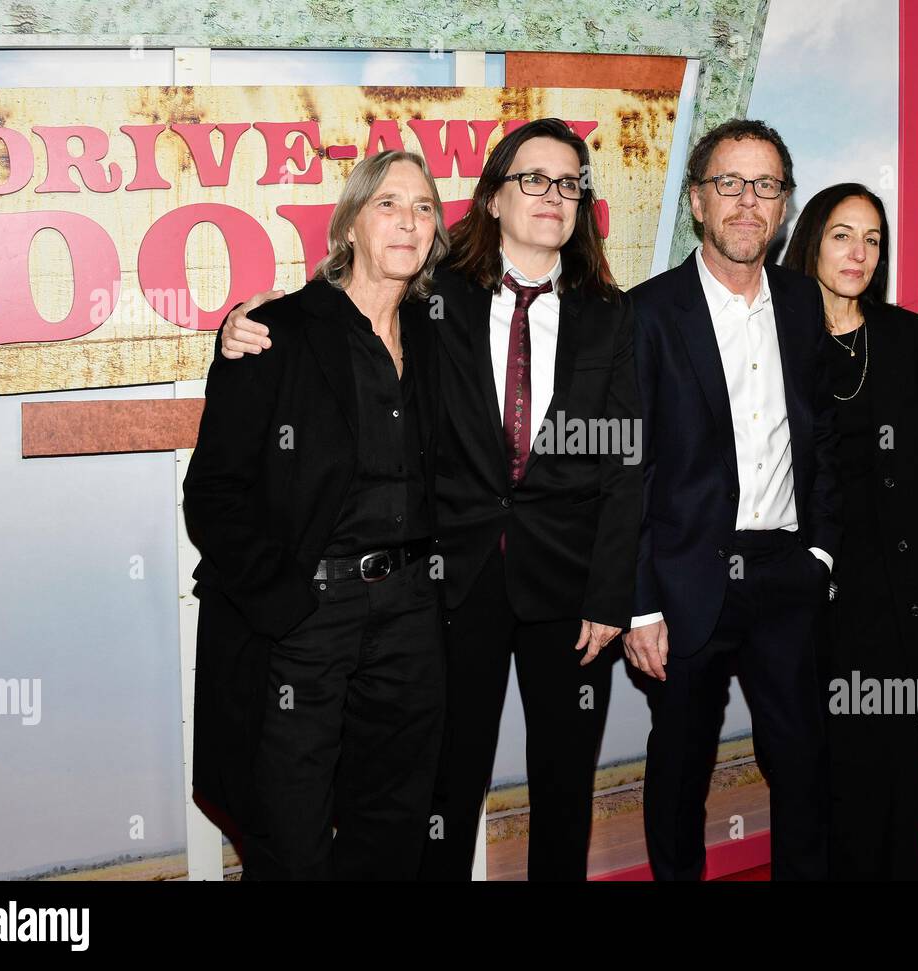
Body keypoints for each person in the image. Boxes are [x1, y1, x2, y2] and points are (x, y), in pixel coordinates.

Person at [217, 118, 643, 881]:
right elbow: (328, 314)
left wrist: (612, 592)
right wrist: (235, 328)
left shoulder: (610, 316)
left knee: (563, 788)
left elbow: (624, 464)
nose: (553, 195)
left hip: (569, 588)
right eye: (533, 179)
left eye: (570, 183)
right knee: (438, 791)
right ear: (491, 198)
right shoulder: (435, 298)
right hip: (449, 587)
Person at [182, 149, 450, 880]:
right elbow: (213, 492)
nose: (408, 220)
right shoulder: (278, 331)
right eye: (388, 204)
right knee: (290, 840)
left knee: (392, 832)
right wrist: (286, 604)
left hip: (410, 620)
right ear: (351, 226)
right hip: (304, 619)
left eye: (424, 207)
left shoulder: (439, 335)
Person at [623, 119, 841, 880]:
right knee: (681, 766)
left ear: (783, 206)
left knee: (804, 761)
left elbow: (827, 442)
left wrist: (820, 552)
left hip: (786, 573)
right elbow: (630, 472)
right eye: (730, 184)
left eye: (766, 186)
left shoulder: (807, 305)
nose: (748, 202)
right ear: (696, 200)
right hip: (686, 578)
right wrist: (641, 601)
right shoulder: (647, 314)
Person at [781, 183, 918, 880]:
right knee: (818, 760)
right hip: (812, 585)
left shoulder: (904, 334)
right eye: (842, 234)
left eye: (873, 238)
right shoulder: (779, 337)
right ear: (812, 242)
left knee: (887, 759)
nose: (859, 252)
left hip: (894, 589)